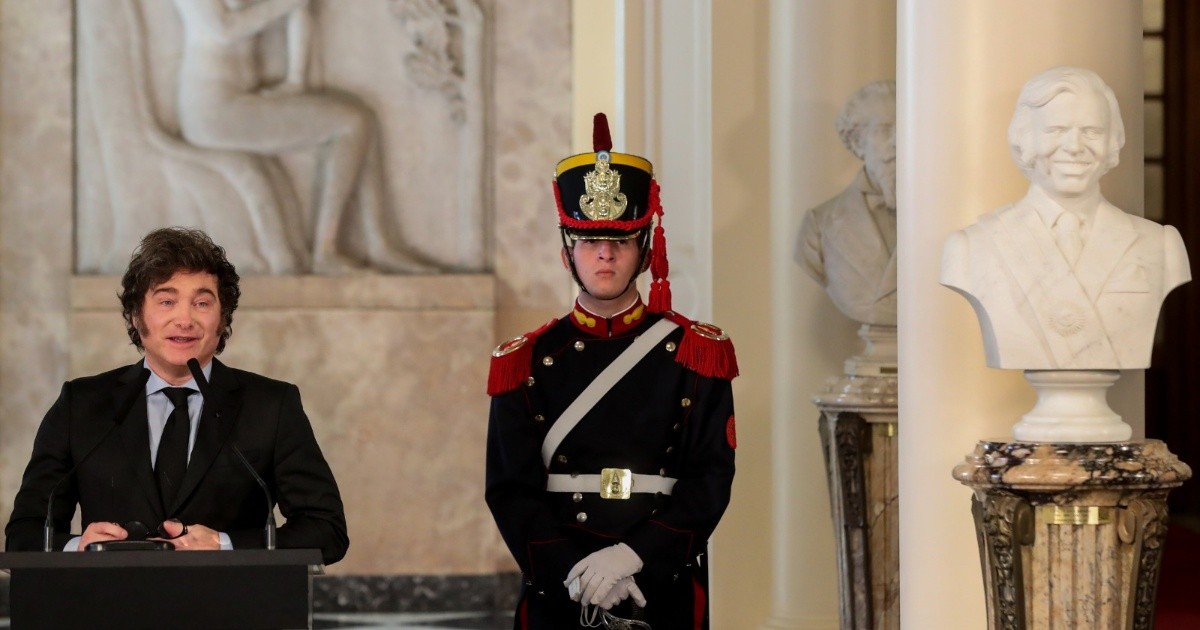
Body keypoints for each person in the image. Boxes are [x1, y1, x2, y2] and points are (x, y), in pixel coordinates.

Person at [485, 114, 739, 629]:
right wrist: (575, 574)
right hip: (561, 583)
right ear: (566, 254)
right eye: (589, 240)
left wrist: (633, 557)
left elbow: (709, 480)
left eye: (621, 241)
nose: (605, 253)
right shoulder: (523, 361)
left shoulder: (695, 351)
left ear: (645, 252)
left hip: (659, 580)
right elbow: (510, 489)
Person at [5, 227, 348, 564]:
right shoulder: (81, 404)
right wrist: (79, 546)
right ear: (137, 316)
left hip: (233, 611)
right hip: (110, 609)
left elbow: (326, 530)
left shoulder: (271, 406)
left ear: (222, 317)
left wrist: (224, 545)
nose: (184, 319)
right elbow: (25, 533)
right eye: (167, 301)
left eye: (201, 303)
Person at [941, 66, 1190, 369]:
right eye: (1055, 130)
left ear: (1112, 141)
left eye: (1092, 131)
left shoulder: (1160, 245)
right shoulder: (971, 247)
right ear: (1025, 138)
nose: (1074, 147)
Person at [171, 0, 431, 274]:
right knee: (352, 124)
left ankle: (378, 244)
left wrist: (295, 80)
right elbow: (223, 29)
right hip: (213, 112)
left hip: (243, 103)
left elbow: (300, 13)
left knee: (358, 122)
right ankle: (327, 251)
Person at [796, 80, 897, 325]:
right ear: (857, 143)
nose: (898, 141)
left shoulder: (950, 219)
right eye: (885, 129)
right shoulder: (819, 225)